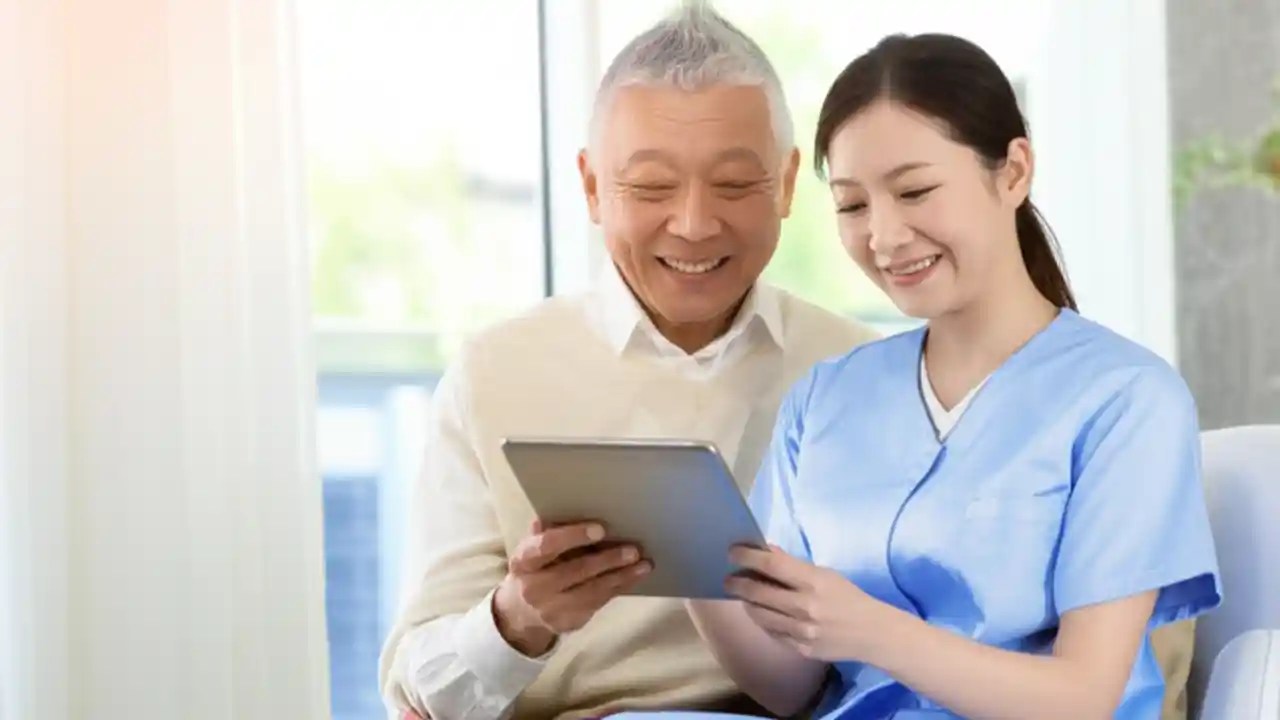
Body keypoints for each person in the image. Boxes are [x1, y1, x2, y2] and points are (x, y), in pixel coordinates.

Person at [616, 33, 1222, 720]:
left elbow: (1083, 698)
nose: (884, 235)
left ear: (1014, 171)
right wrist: (688, 557)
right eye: (851, 206)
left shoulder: (1126, 401)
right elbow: (794, 689)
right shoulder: (825, 399)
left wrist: (872, 630)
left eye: (915, 191)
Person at [377, 4, 878, 719]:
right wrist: (519, 618)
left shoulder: (855, 369)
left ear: (789, 182)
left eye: (736, 185)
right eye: (650, 187)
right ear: (590, 187)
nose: (696, 223)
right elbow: (417, 692)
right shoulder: (494, 375)